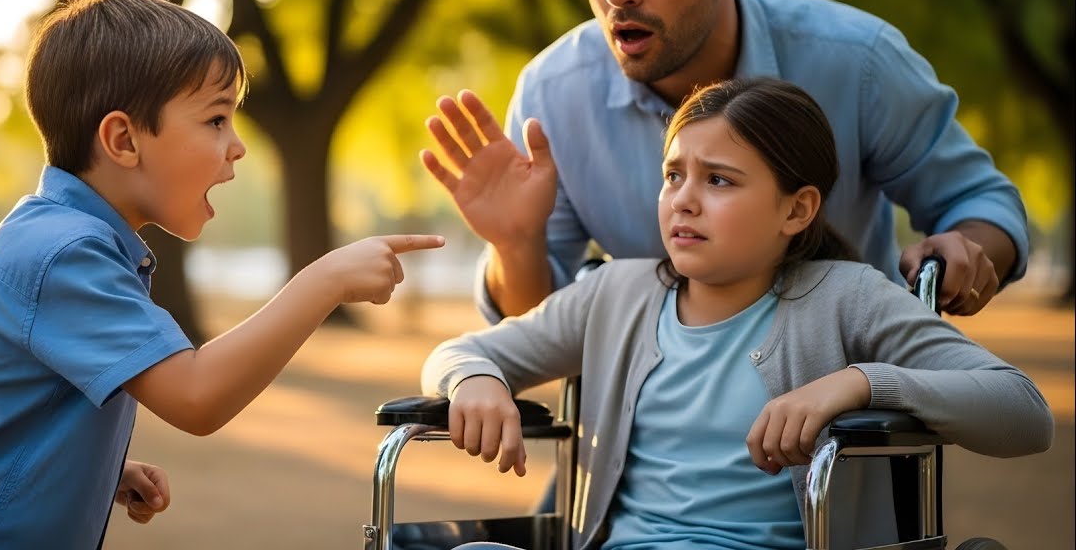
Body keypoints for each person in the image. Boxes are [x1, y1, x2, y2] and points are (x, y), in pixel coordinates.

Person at [0, 0, 444, 549]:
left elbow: (5, 415)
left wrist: (84, 467)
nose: (237, 145)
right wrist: (325, 280)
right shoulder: (64, 252)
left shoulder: (67, 238)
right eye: (215, 120)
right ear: (123, 141)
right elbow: (198, 396)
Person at [421, 0, 1028, 324]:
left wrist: (967, 252)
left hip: (829, 439)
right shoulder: (552, 93)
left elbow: (983, 204)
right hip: (637, 447)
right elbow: (539, 329)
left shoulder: (857, 59)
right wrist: (516, 244)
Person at [421, 77, 1053, 550]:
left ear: (797, 210)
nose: (684, 201)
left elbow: (1024, 412)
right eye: (674, 175)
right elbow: (459, 353)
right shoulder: (615, 294)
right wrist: (475, 380)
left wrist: (859, 382)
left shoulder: (846, 298)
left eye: (719, 181)